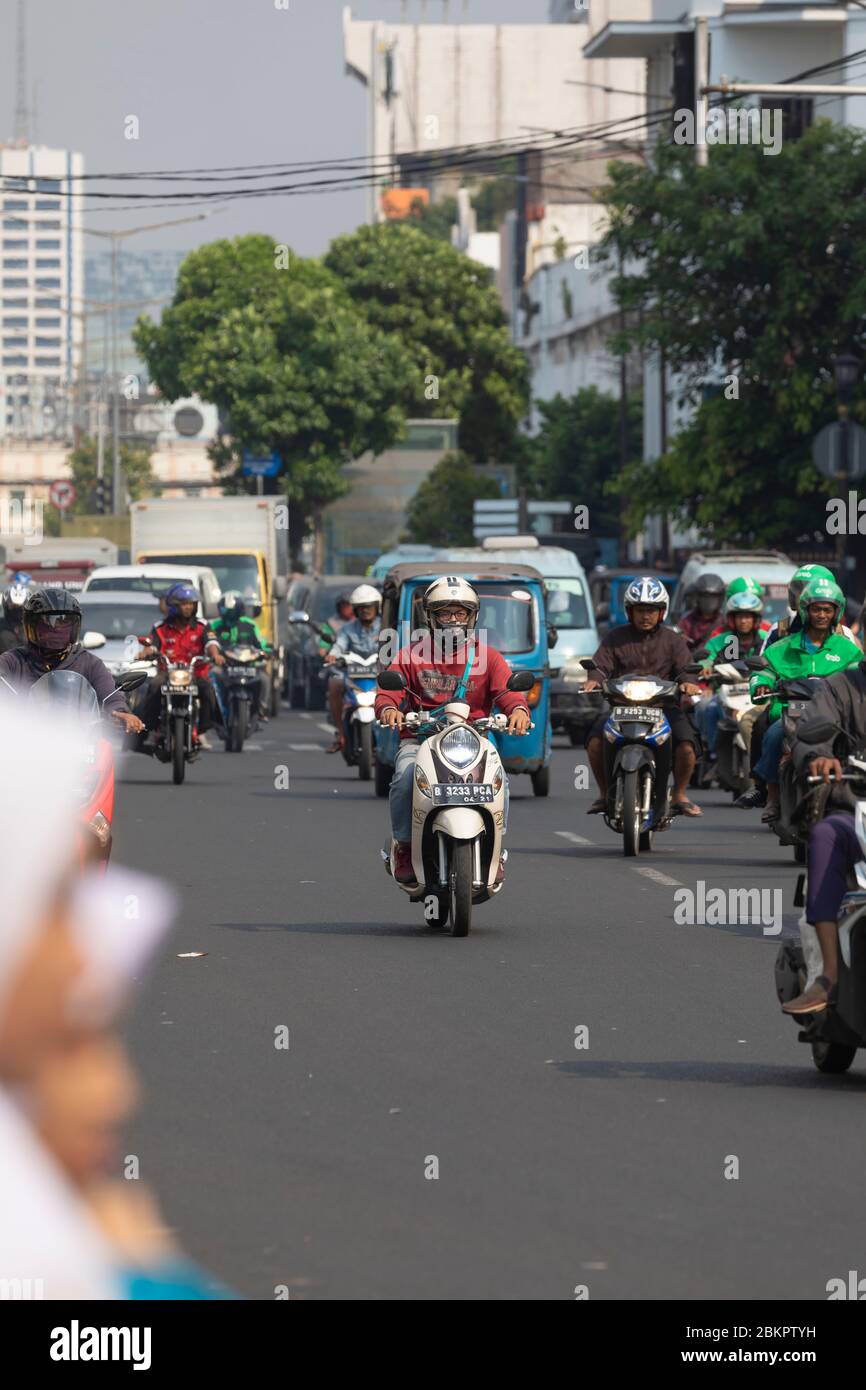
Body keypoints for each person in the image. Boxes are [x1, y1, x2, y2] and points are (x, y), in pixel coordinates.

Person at [375, 576, 531, 885]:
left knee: (501, 783)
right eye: (444, 612)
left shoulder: (489, 657)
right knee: (405, 778)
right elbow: (388, 693)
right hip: (421, 741)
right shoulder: (410, 654)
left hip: (474, 742)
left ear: (473, 616)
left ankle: (496, 849)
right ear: (431, 617)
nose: (453, 620)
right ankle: (404, 846)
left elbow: (508, 693)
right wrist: (390, 709)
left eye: (460, 612)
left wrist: (518, 711)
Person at [740, 576, 861, 822]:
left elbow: (860, 675)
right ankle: (772, 799)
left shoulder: (847, 649)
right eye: (816, 609)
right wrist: (761, 685)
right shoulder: (783, 646)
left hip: (834, 717)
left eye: (827, 610)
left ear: (836, 612)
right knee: (773, 736)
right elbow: (763, 671)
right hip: (788, 713)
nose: (821, 615)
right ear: (805, 611)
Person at [584, 576, 705, 817]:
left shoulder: (673, 640)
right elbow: (599, 665)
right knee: (595, 742)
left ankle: (679, 794)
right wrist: (593, 680)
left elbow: (685, 668)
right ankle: (603, 793)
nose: (645, 616)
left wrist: (689, 684)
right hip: (621, 707)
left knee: (687, 746)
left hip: (663, 707)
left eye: (651, 610)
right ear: (630, 612)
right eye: (640, 610)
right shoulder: (614, 638)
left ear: (662, 612)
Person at [785, 660, 866, 1013]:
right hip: (855, 809)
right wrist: (819, 757)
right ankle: (828, 976)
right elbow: (807, 736)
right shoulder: (838, 687)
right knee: (825, 835)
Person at [0, 588, 143, 738]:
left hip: (81, 744)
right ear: (31, 628)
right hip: (24, 744)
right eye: (47, 627)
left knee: (106, 758)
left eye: (63, 627)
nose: (55, 632)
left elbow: (110, 695)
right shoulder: (14, 661)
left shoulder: (89, 663)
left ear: (74, 630)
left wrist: (121, 712)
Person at [136, 583, 222, 749]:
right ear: (174, 606)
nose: (188, 607)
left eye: (191, 603)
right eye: (184, 604)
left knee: (209, 690)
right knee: (154, 687)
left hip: (195, 673)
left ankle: (203, 728)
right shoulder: (160, 627)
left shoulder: (202, 626)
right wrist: (145, 652)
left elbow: (211, 643)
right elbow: (152, 644)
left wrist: (215, 655)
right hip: (168, 673)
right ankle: (151, 729)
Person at [695, 589, 767, 781]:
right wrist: (706, 666)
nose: (744, 621)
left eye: (748, 617)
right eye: (739, 617)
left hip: (756, 692)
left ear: (756, 619)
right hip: (725, 691)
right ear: (731, 619)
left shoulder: (765, 639)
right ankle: (711, 753)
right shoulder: (722, 640)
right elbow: (707, 657)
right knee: (707, 708)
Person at [323, 583, 382, 753]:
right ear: (355, 610)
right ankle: (340, 734)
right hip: (353, 674)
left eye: (369, 607)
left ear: (377, 607)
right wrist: (333, 655)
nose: (365, 611)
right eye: (361, 608)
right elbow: (339, 645)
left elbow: (394, 644)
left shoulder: (386, 627)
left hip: (378, 675)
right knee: (334, 684)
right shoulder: (347, 629)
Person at [210, 590, 271, 723]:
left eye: (233, 612)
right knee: (211, 677)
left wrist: (266, 651)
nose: (230, 615)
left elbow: (262, 643)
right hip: (223, 667)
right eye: (227, 611)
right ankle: (213, 711)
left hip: (249, 667)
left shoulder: (250, 625)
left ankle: (260, 710)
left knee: (264, 679)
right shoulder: (215, 626)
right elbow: (208, 643)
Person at [676, 573, 724, 651]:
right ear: (698, 597)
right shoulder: (687, 622)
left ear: (720, 598)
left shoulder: (725, 623)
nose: (709, 602)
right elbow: (678, 648)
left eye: (713, 597)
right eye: (705, 596)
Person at [0, 581, 30, 653]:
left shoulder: (33, 627)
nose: (17, 610)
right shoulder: (1, 626)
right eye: (13, 607)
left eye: (21, 608)